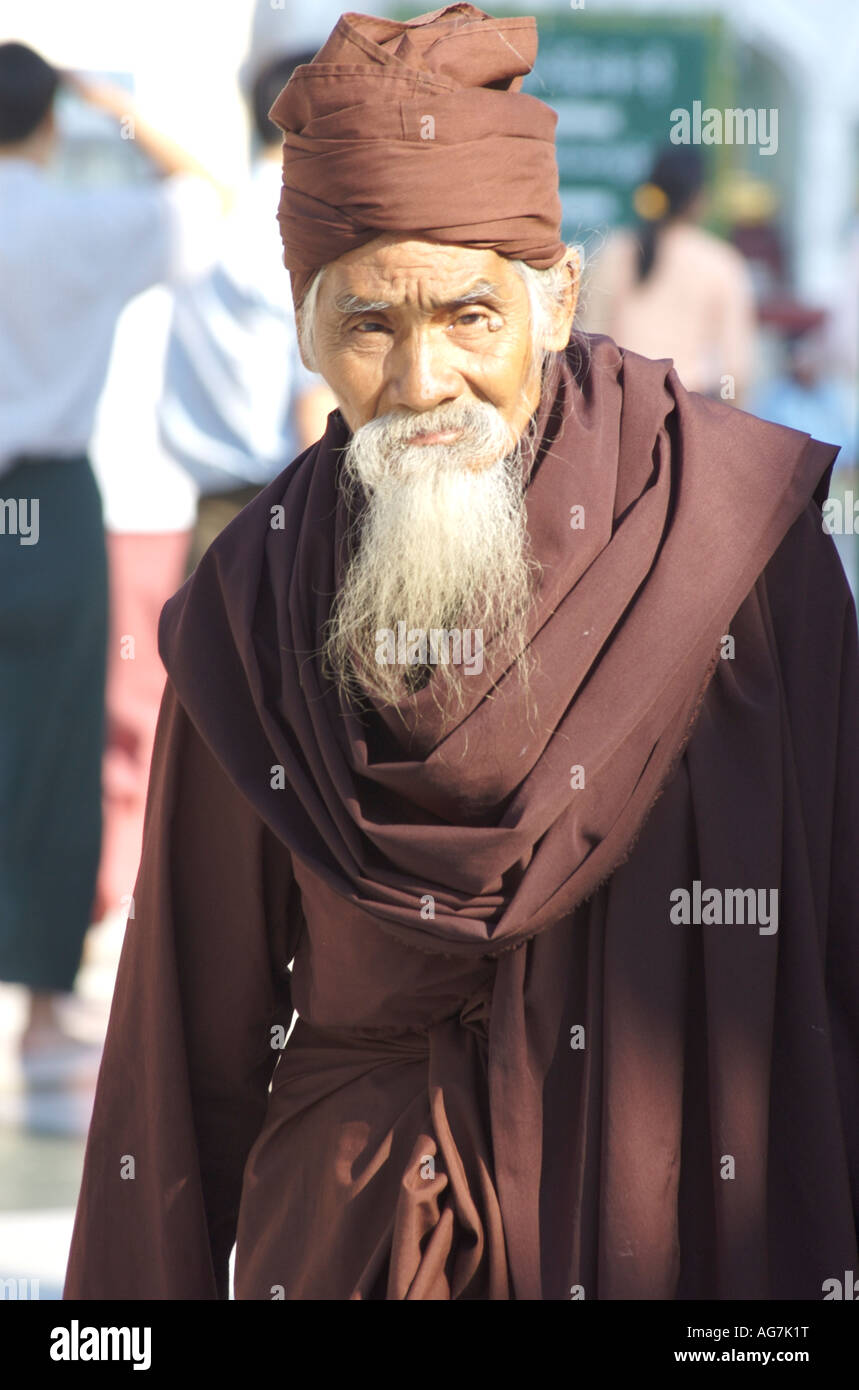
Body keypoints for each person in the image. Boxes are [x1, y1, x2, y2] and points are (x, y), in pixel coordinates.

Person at [64, 5, 858, 1301]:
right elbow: (185, 1031)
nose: (423, 378)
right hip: (352, 1241)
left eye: (469, 314)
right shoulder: (254, 596)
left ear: (555, 303)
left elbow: (834, 936)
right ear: (307, 333)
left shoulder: (731, 539)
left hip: (676, 1227)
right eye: (369, 325)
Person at [0, 42, 226, 1061]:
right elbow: (208, 201)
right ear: (48, 119)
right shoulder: (80, 224)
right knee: (53, 754)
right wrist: (111, 108)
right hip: (50, 503)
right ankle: (44, 1010)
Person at [157, 50, 337, 577]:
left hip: (212, 515)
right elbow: (314, 397)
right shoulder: (299, 230)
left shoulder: (211, 216)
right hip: (290, 509)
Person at [581, 145, 758, 405]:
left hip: (618, 413)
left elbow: (586, 347)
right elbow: (736, 372)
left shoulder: (611, 253)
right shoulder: (721, 263)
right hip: (689, 419)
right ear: (700, 198)